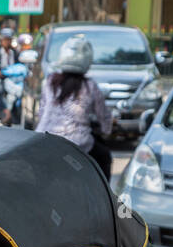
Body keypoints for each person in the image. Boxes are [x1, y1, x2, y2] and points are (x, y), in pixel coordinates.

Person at [35, 34, 114, 180]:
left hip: (44, 141)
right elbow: (104, 116)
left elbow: (42, 111)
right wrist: (106, 130)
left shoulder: (49, 81)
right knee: (104, 157)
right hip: (77, 144)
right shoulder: (90, 86)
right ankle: (105, 200)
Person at [0, 25, 18, 124]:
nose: (7, 42)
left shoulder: (15, 53)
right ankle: (6, 112)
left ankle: (17, 114)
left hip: (15, 80)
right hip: (2, 80)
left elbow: (21, 65)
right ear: (1, 41)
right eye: (5, 40)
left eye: (9, 40)